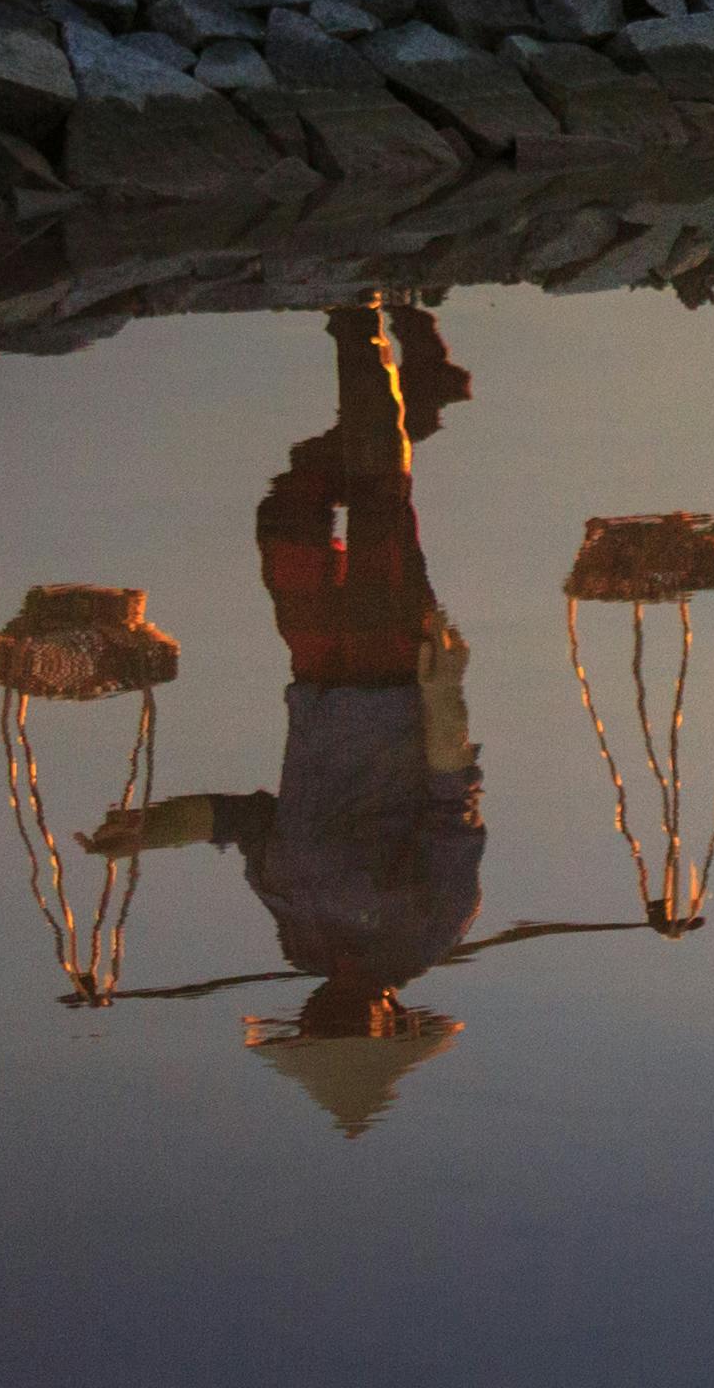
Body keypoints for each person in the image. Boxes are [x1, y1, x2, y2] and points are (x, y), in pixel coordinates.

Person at [94, 298, 491, 1133]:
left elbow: (252, 821)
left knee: (286, 517)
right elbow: (455, 798)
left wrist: (151, 831)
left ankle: (418, 398)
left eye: (314, 1037)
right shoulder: (429, 929)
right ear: (392, 1022)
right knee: (380, 499)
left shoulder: (300, 944)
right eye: (348, 1035)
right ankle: (357, 317)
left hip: (315, 679)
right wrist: (443, 689)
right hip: (394, 676)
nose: (327, 1024)